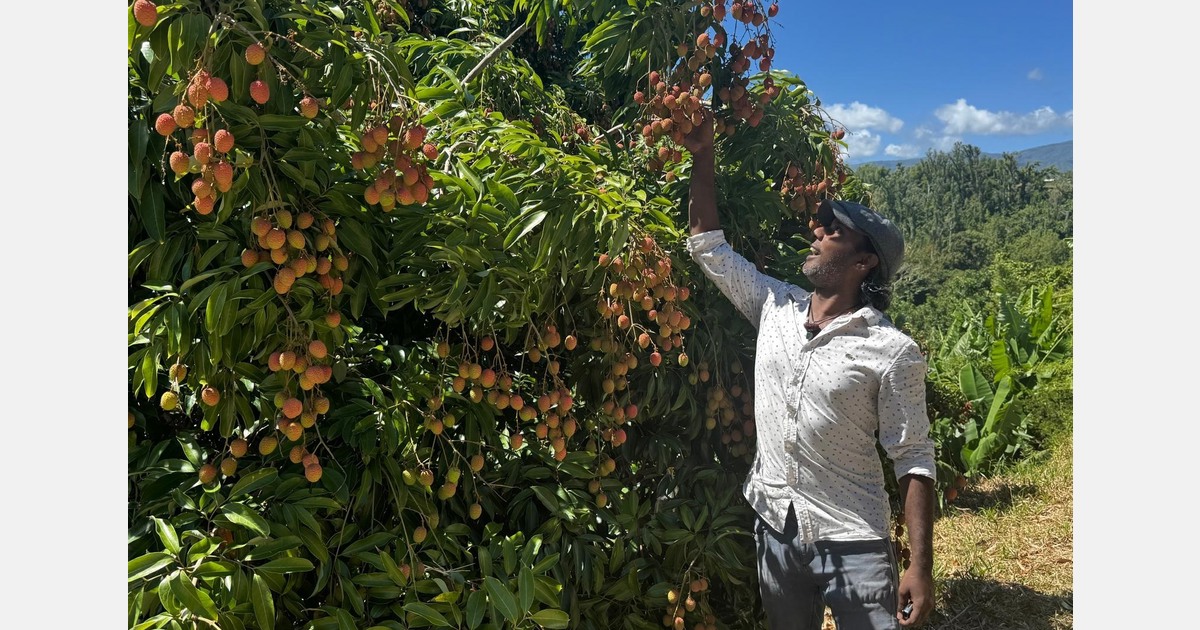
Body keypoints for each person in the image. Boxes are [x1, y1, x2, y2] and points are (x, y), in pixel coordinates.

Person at [681, 109, 936, 629]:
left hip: (854, 539)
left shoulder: (891, 350)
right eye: (822, 224)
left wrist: (920, 566)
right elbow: (710, 247)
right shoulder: (775, 306)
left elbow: (914, 458)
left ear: (865, 262)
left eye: (835, 231)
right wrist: (703, 155)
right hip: (775, 526)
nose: (817, 232)